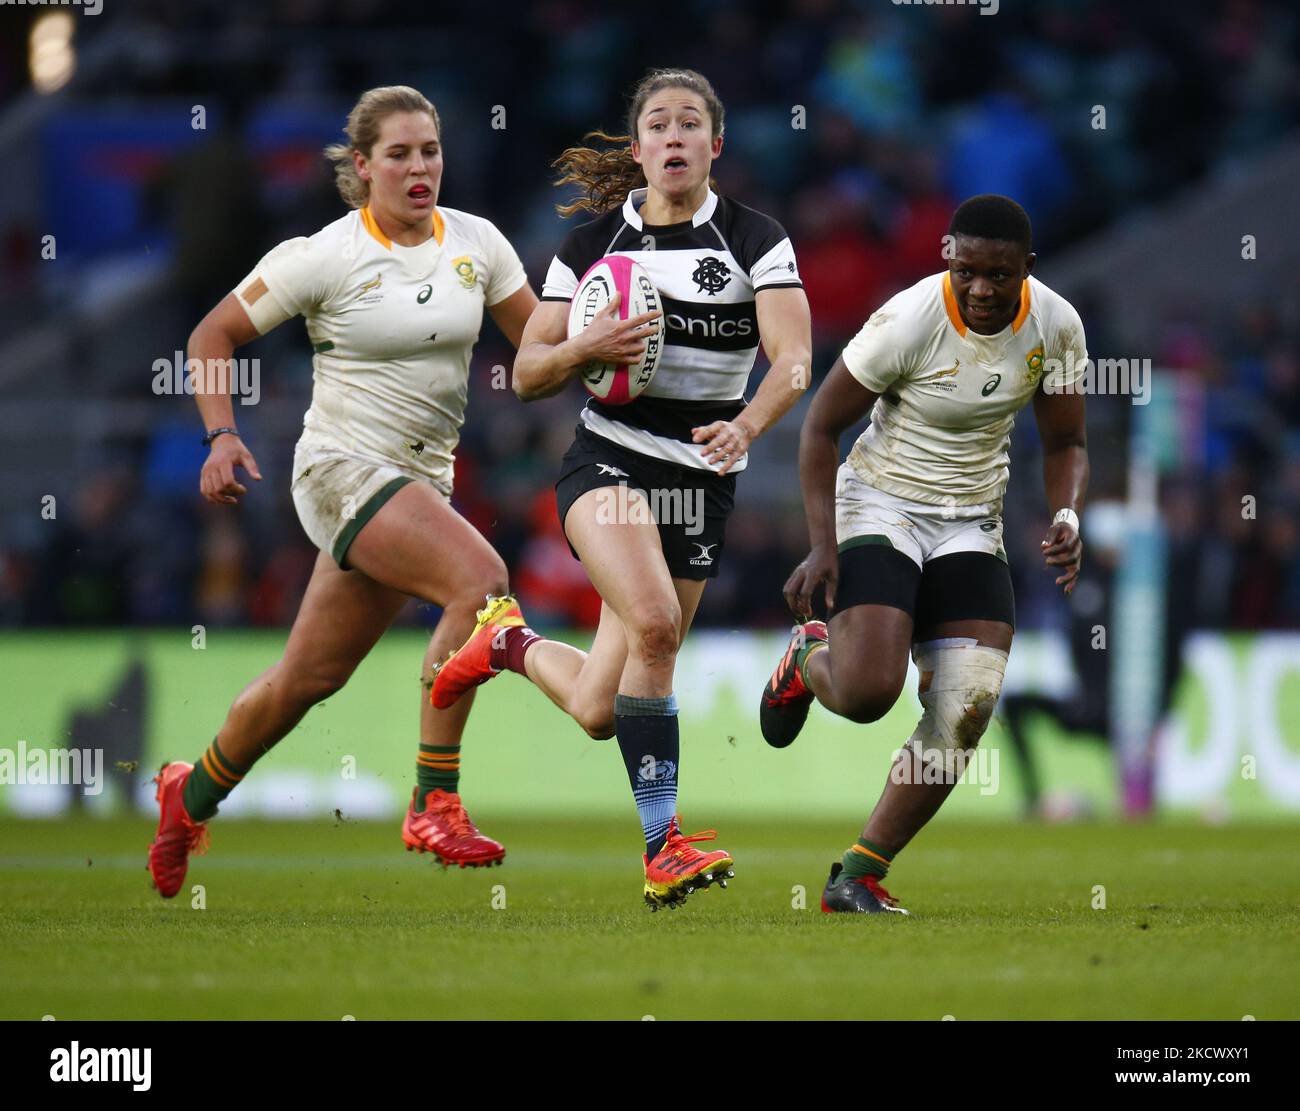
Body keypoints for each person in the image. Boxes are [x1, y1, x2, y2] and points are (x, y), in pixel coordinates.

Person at [431, 68, 812, 909]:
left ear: (716, 145)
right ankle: (661, 844)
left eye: (690, 124)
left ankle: (506, 645)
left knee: (603, 707)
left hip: (705, 478)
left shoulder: (756, 239)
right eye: (658, 125)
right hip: (608, 461)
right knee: (654, 623)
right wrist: (583, 346)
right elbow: (528, 370)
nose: (673, 137)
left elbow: (795, 360)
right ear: (637, 148)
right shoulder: (588, 249)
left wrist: (747, 424)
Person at [147, 86, 539, 898]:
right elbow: (211, 333)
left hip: (417, 486)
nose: (418, 166)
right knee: (483, 582)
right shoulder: (324, 254)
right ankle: (435, 796)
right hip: (339, 472)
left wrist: (600, 343)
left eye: (429, 150)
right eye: (398, 154)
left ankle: (188, 795)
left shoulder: (479, 243)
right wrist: (221, 435)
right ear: (362, 167)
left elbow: (537, 355)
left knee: (305, 679)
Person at [761, 194, 1088, 914]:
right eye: (968, 270)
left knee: (966, 704)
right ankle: (807, 660)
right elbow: (819, 429)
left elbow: (1066, 442)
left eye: (999, 274)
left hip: (971, 517)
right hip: (881, 500)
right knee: (868, 692)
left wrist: (1066, 510)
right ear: (946, 256)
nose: (981, 288)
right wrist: (822, 545)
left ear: (1026, 269)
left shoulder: (1057, 325)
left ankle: (858, 874)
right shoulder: (909, 319)